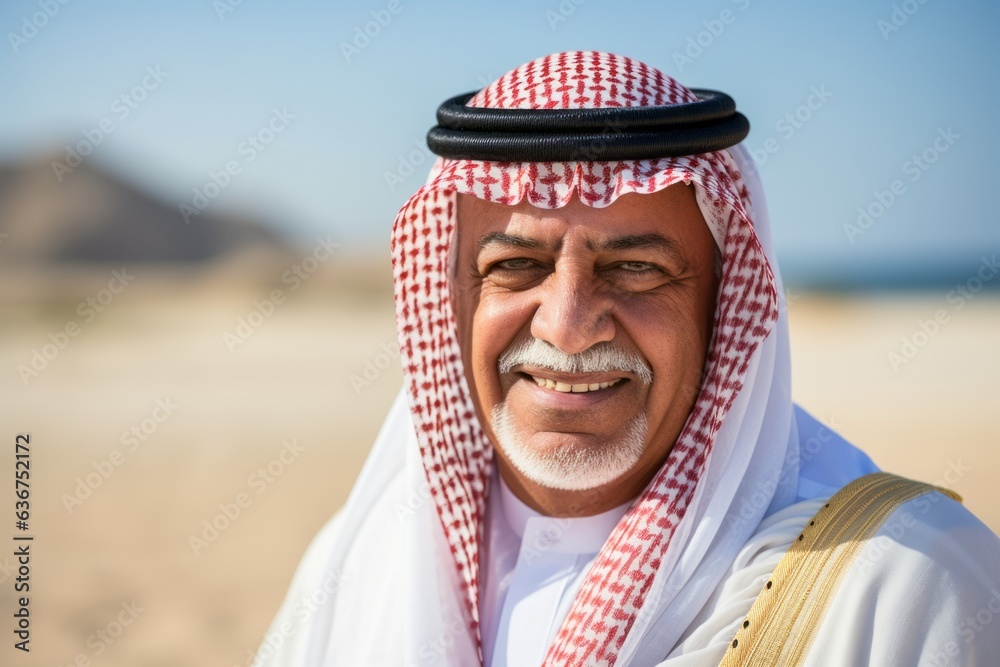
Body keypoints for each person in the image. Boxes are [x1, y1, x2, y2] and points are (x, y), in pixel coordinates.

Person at [255, 51, 1000, 666]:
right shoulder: (357, 563)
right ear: (453, 297)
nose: (569, 326)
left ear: (724, 302)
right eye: (515, 264)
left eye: (637, 268)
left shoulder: (905, 579)